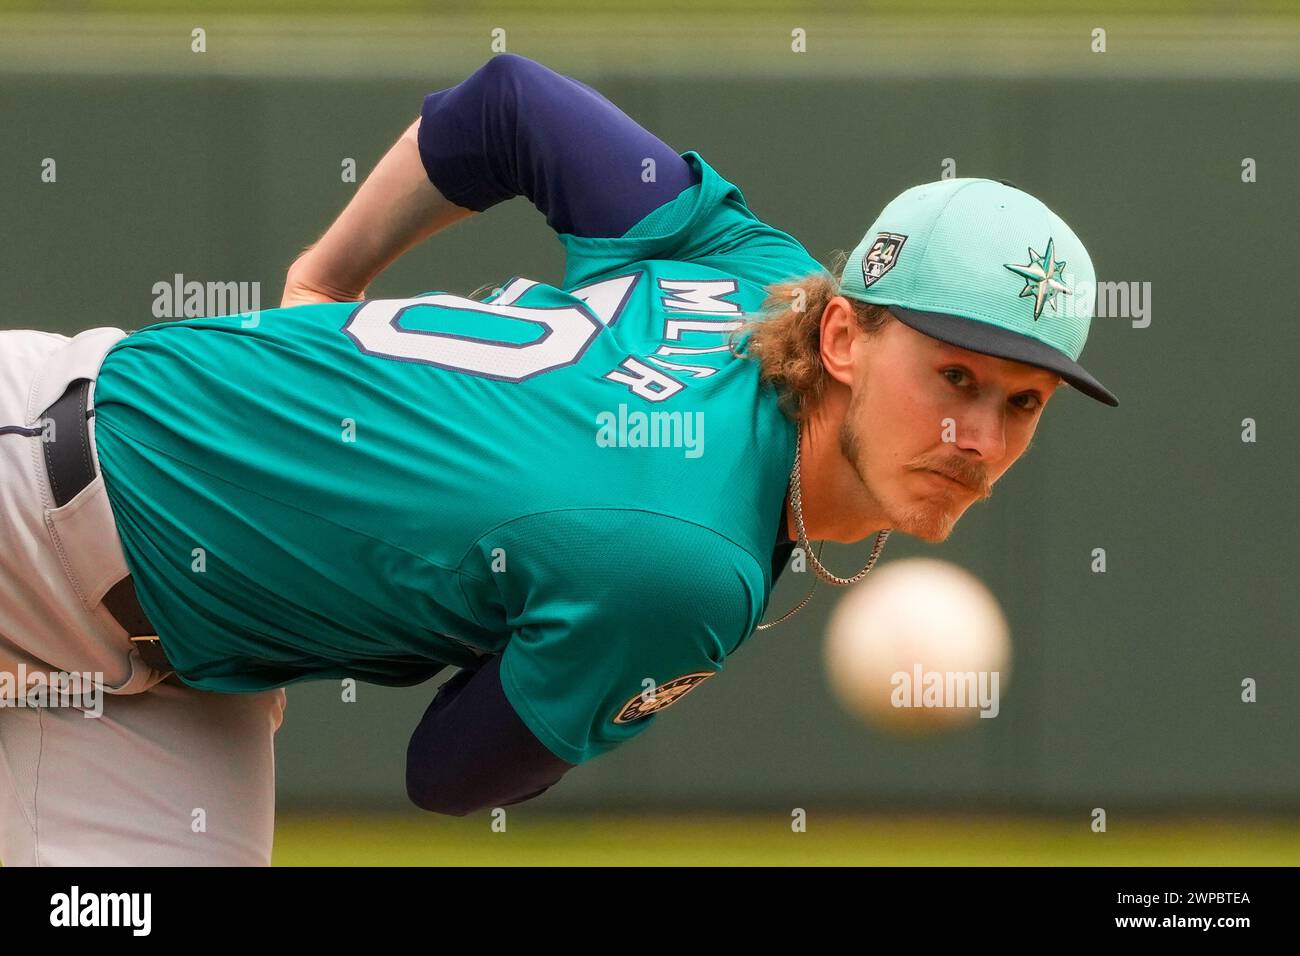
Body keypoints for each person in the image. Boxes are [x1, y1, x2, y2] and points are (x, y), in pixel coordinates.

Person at [0, 53, 1116, 866]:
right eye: (952, 375)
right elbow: (448, 776)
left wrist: (326, 272)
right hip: (37, 501)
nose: (979, 436)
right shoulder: (690, 569)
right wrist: (592, 674)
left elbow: (508, 103)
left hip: (176, 676)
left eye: (1022, 402)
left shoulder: (740, 264)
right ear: (841, 337)